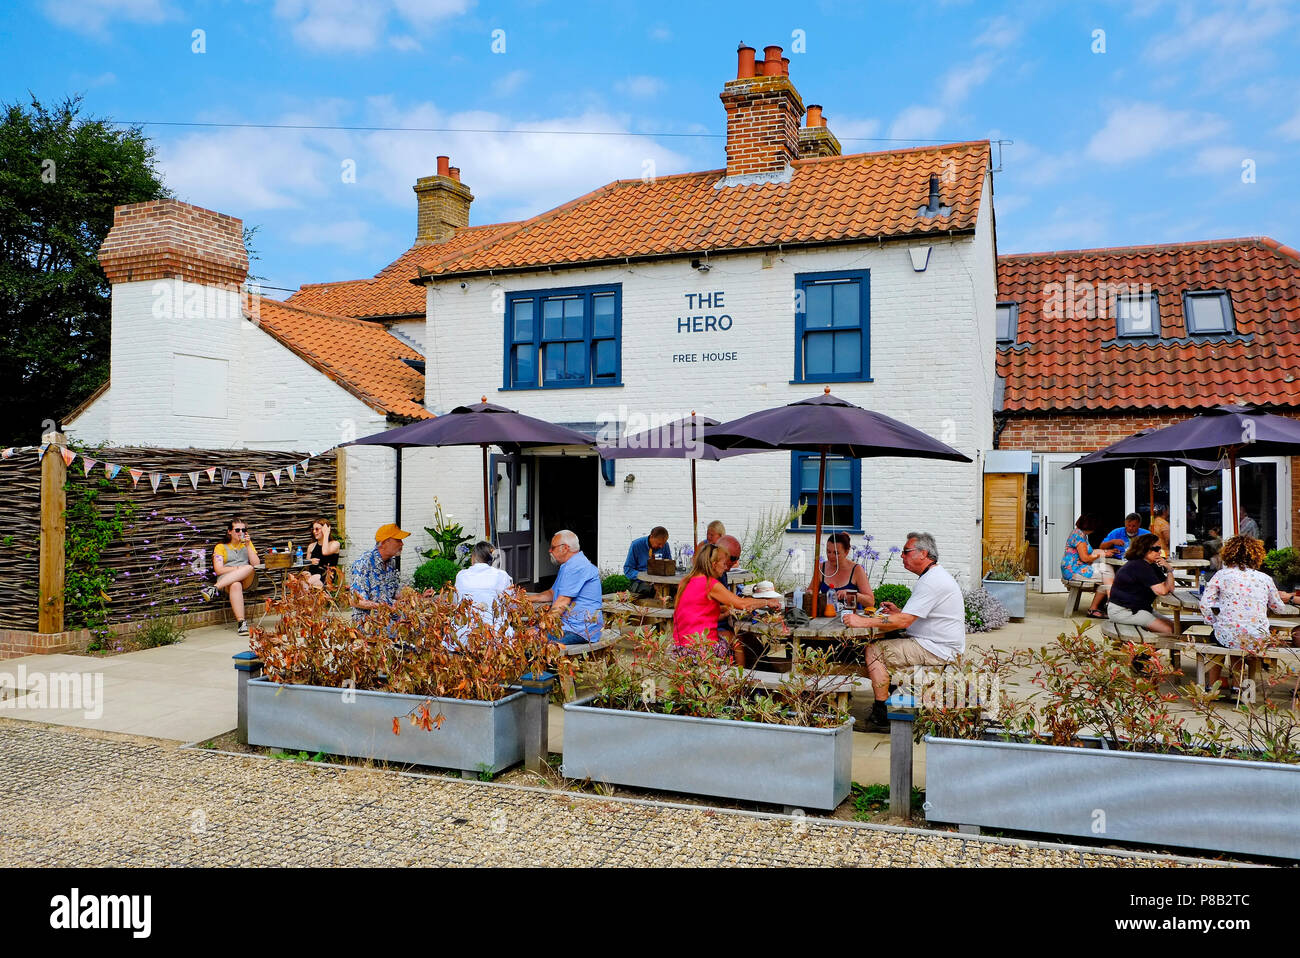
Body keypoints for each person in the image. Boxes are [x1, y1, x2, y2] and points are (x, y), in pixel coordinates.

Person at [841, 533, 965, 733]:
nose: (901, 555)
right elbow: (912, 617)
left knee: (874, 651)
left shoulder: (932, 581)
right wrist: (898, 613)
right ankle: (889, 695)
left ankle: (882, 714)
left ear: (923, 554)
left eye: (906, 551)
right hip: (938, 644)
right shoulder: (933, 576)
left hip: (937, 649)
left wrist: (862, 621)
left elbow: (905, 621)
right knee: (887, 641)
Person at [1198, 535, 1297, 694]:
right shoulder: (1264, 578)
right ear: (1257, 555)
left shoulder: (1222, 575)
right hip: (1256, 638)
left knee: (1218, 639)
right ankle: (1238, 686)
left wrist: (1213, 622)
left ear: (1228, 553)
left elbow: (1204, 604)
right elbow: (1279, 608)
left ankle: (1212, 686)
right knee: (1242, 640)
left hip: (1228, 634)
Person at [673, 542, 782, 659]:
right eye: (724, 564)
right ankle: (740, 675)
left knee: (728, 635)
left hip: (680, 647)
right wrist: (767, 602)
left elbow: (698, 612)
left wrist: (724, 612)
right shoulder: (710, 584)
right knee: (736, 640)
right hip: (700, 649)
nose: (726, 568)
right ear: (714, 564)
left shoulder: (685, 581)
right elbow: (742, 604)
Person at [525, 530, 604, 644]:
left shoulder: (576, 566)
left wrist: (538, 629)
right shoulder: (569, 565)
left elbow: (562, 602)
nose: (549, 551)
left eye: (553, 547)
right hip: (571, 627)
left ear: (565, 548)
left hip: (580, 631)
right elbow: (553, 593)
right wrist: (527, 599)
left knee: (528, 643)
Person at [1106, 533, 1176, 635]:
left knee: (1175, 627)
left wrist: (1169, 569)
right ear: (1145, 549)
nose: (1159, 552)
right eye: (1156, 549)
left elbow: (1170, 588)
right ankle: (1145, 650)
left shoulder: (1150, 565)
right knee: (1167, 630)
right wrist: (1165, 585)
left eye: (1159, 548)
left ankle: (1148, 650)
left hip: (1140, 608)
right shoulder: (1139, 565)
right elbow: (1162, 591)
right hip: (1124, 611)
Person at [201, 517, 259, 636]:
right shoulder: (220, 547)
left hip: (248, 578)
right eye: (237, 530)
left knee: (249, 567)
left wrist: (248, 545)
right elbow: (219, 570)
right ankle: (241, 623)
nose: (241, 533)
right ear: (229, 531)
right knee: (235, 584)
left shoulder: (248, 544)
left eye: (244, 530)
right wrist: (238, 569)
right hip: (227, 580)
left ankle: (214, 588)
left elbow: (256, 564)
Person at [453, 541, 515, 644]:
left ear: (473, 557)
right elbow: (511, 604)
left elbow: (455, 603)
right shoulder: (501, 575)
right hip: (495, 634)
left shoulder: (461, 576)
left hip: (463, 635)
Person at [1060, 514, 1118, 619]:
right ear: (1090, 526)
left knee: (1107, 571)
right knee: (1108, 575)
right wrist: (1101, 554)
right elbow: (1085, 558)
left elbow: (1090, 552)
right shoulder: (1079, 537)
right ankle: (1108, 603)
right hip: (1074, 571)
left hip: (1075, 568)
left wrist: (1105, 551)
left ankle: (1106, 601)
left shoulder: (1080, 534)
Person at [349, 523, 409, 620]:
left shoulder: (390, 563)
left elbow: (394, 593)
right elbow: (355, 601)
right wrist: (383, 607)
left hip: (389, 615)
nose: (402, 543)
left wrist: (416, 595)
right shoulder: (363, 564)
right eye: (398, 540)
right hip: (369, 620)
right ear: (385, 542)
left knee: (420, 625)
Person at [818, 531, 875, 610]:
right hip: (826, 618)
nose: (831, 556)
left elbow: (870, 602)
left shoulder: (857, 570)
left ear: (846, 552)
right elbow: (810, 592)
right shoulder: (821, 568)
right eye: (828, 552)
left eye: (836, 553)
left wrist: (852, 594)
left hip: (852, 618)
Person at [624, 526, 672, 597]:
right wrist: (644, 576)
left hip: (661, 582)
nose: (661, 546)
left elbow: (669, 565)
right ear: (651, 537)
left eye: (663, 544)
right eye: (659, 544)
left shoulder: (665, 546)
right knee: (653, 591)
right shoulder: (636, 545)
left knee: (677, 589)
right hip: (640, 582)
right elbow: (628, 570)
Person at [305, 518, 341, 589]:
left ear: (325, 530)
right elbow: (306, 566)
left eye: (317, 529)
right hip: (312, 575)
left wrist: (326, 534)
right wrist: (310, 561)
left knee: (309, 582)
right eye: (313, 529)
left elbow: (324, 552)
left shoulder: (335, 544)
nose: (314, 532)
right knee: (301, 579)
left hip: (326, 577)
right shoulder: (311, 546)